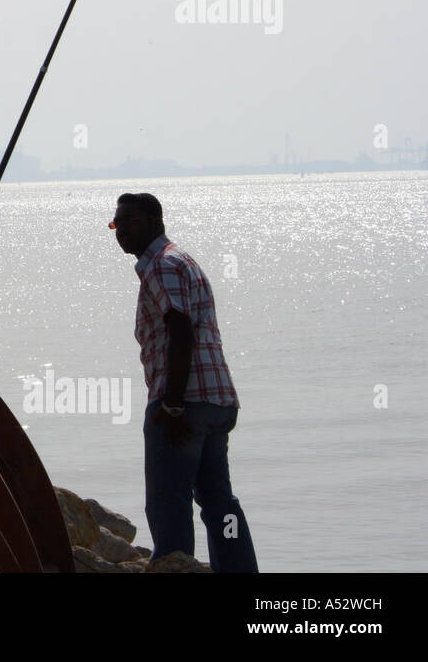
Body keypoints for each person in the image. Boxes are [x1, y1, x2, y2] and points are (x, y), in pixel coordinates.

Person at [109, 192, 258, 572]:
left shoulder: (163, 265)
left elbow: (180, 329)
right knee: (218, 500)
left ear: (156, 222)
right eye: (116, 223)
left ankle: (174, 567)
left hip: (184, 403)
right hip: (215, 400)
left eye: (130, 221)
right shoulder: (179, 261)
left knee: (167, 501)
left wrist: (172, 405)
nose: (121, 230)